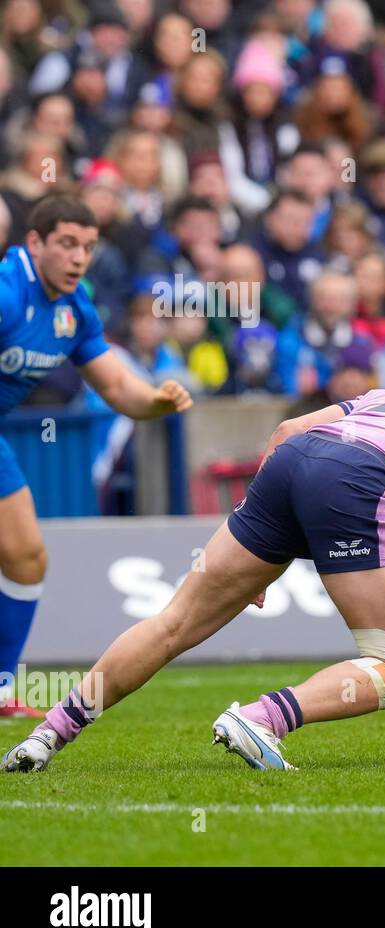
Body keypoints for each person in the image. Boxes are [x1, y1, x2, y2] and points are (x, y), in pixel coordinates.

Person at [3, 385, 385, 771]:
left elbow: (287, 432)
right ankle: (263, 718)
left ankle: (47, 735)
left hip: (293, 464)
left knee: (172, 624)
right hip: (360, 477)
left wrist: (264, 543)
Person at [0, 195, 192, 718]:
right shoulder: (8, 291)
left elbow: (116, 387)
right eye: (66, 244)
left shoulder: (75, 308)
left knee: (25, 556)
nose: (79, 257)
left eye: (87, 246)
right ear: (34, 243)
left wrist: (155, 401)